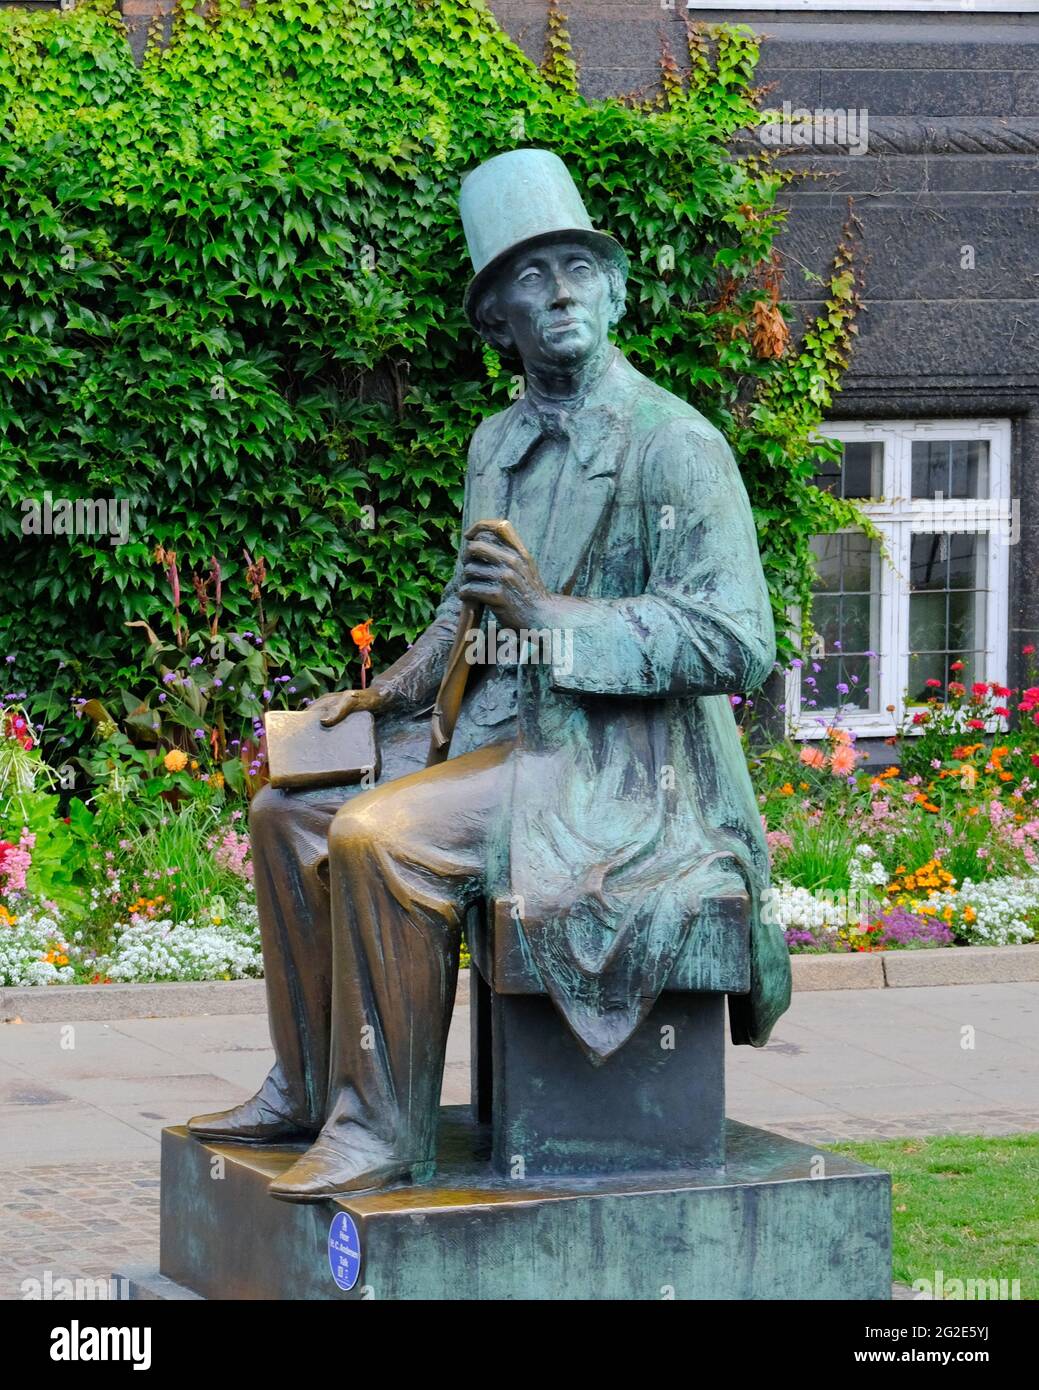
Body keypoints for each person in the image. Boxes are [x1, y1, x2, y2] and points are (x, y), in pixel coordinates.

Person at [188, 148, 791, 1202]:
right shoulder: (495, 442)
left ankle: (382, 1131)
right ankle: (308, 1087)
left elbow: (735, 640)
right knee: (288, 815)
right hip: (498, 738)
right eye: (527, 276)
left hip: (615, 769)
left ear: (609, 289)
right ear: (496, 321)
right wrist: (387, 693)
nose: (556, 291)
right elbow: (466, 613)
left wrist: (550, 619)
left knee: (381, 836)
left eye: (574, 268)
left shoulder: (674, 444)